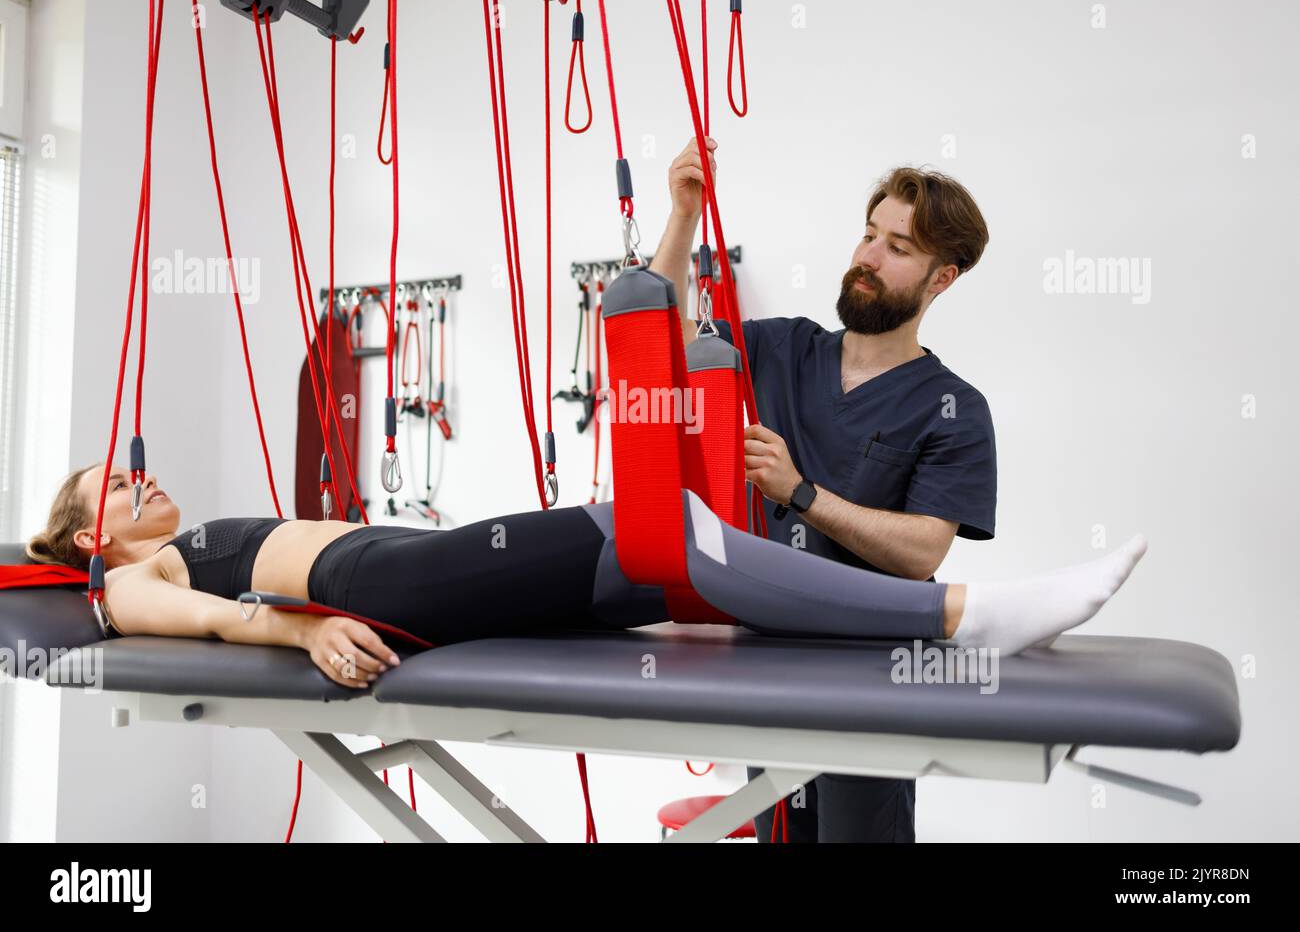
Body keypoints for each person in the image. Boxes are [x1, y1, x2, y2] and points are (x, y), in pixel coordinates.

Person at [27, 463, 1144, 702]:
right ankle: (964, 613)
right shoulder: (131, 582)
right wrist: (306, 633)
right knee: (637, 526)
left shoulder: (160, 541)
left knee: (654, 560)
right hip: (391, 584)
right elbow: (217, 618)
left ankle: (943, 622)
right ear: (88, 538)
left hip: (416, 564)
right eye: (113, 483)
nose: (140, 474)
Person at [649, 138, 997, 841]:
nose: (868, 256)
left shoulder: (953, 407)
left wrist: (802, 493)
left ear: (942, 279)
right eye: (869, 235)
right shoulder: (782, 349)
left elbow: (922, 551)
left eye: (898, 247)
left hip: (874, 683)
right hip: (766, 665)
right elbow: (658, 343)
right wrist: (683, 216)